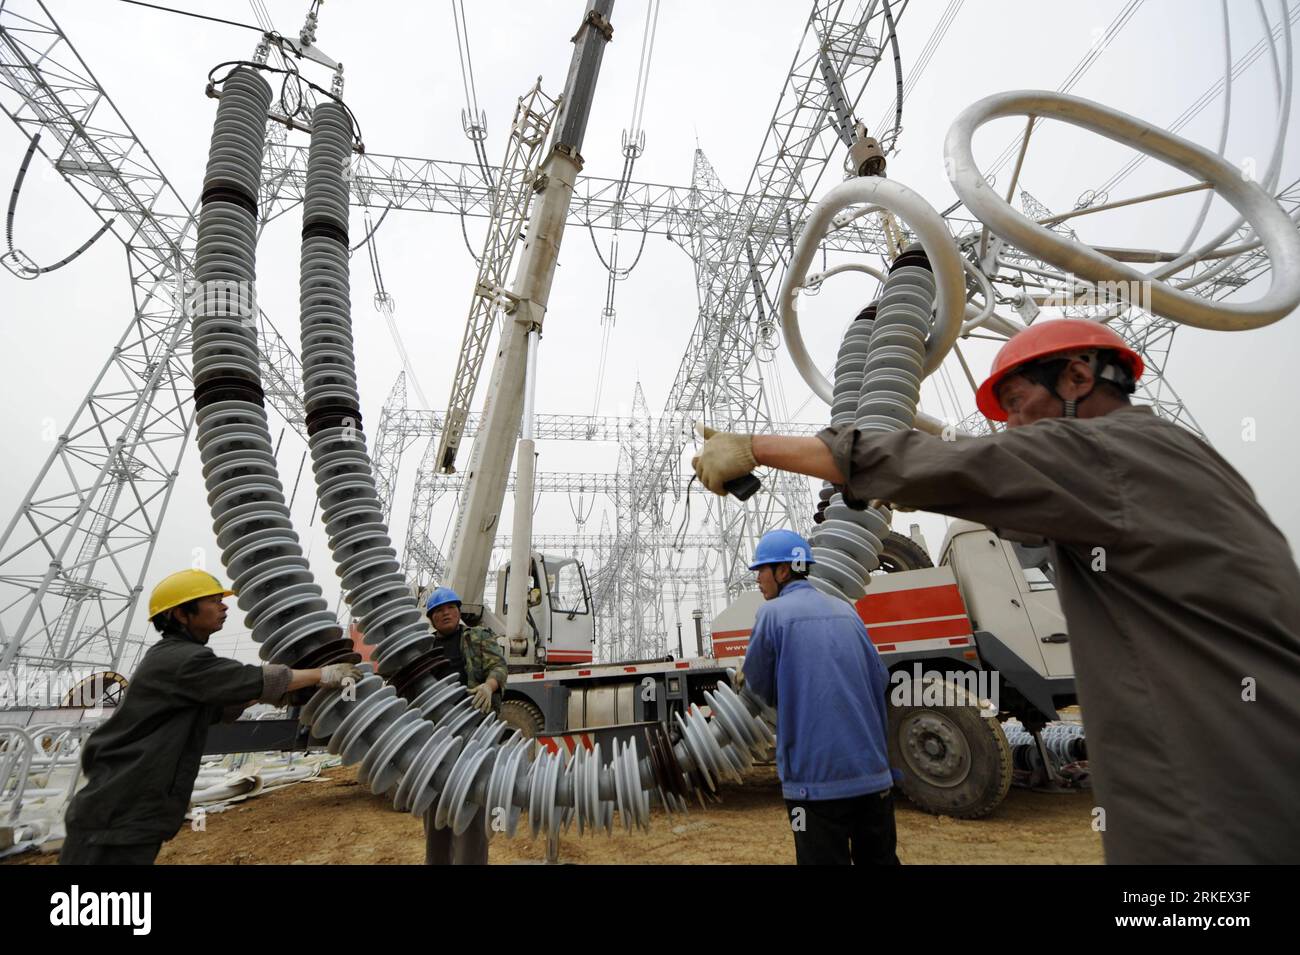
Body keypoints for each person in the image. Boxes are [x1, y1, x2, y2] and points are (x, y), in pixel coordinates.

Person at [693, 318, 1300, 864]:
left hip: (1210, 806)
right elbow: (1007, 512)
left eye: (1017, 402)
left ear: (1076, 376)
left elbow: (950, 467)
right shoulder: (1179, 454)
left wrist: (757, 448)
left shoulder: (1103, 451)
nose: (1012, 425)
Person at [60, 569, 361, 865]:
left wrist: (284, 688)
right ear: (181, 614)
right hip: (117, 813)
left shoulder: (178, 659)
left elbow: (223, 703)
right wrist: (322, 674)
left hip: (128, 809)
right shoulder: (180, 660)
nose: (224, 606)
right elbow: (247, 679)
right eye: (214, 601)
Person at [741, 529, 899, 866]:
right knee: (881, 860)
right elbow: (879, 678)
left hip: (811, 788)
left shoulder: (771, 616)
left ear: (783, 571)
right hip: (873, 780)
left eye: (761, 571)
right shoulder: (848, 612)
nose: (757, 580)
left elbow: (758, 690)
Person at [421, 586, 508, 865]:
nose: (444, 614)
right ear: (432, 618)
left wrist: (488, 686)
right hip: (436, 740)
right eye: (438, 611)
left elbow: (499, 667)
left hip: (473, 737)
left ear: (458, 611)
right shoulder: (423, 648)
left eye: (449, 608)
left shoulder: (477, 637)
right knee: (436, 812)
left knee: (471, 806)